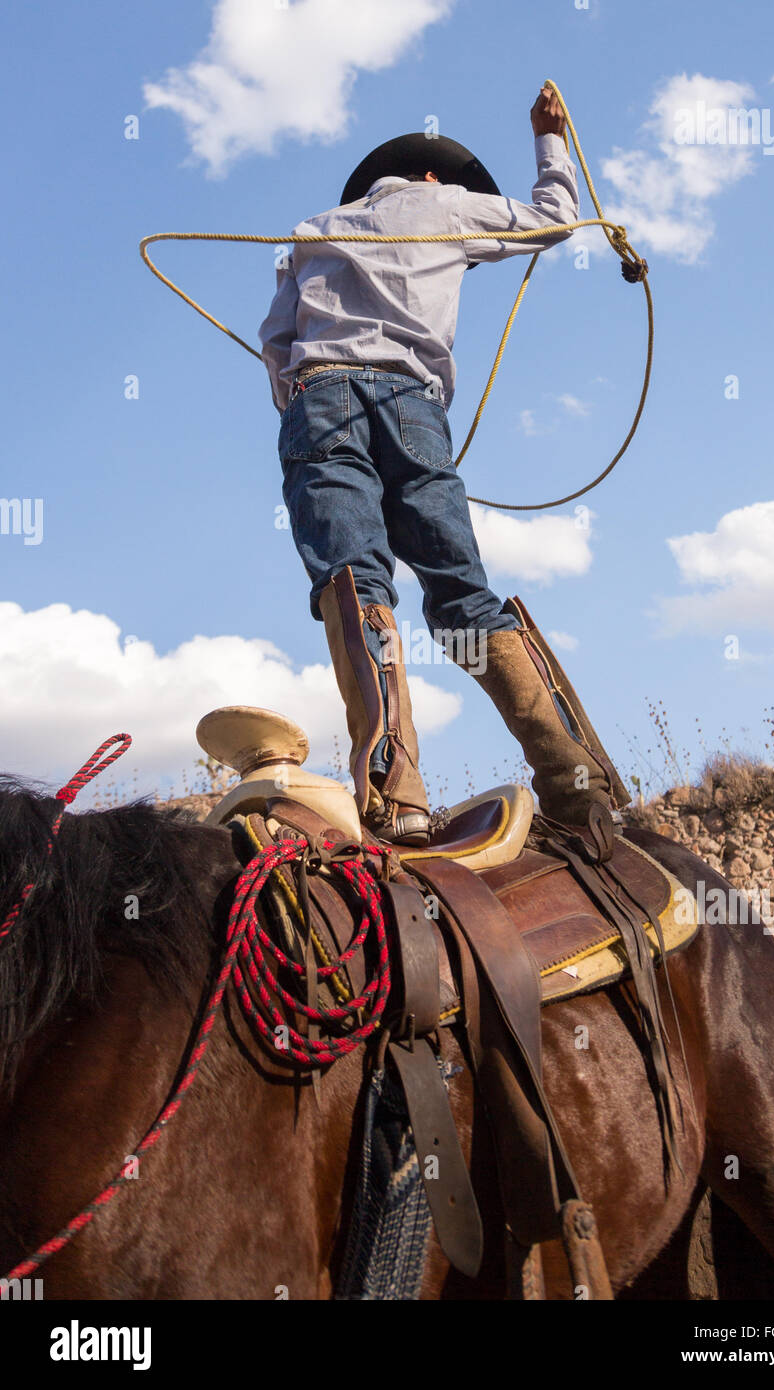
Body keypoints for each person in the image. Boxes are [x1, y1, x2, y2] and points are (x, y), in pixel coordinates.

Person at [258, 86, 627, 846]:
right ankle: (577, 787)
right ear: (432, 180)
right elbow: (555, 218)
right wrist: (550, 141)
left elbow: (276, 346)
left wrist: (308, 402)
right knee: (461, 599)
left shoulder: (312, 231)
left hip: (320, 398)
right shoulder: (447, 207)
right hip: (411, 405)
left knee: (354, 582)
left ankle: (399, 796)